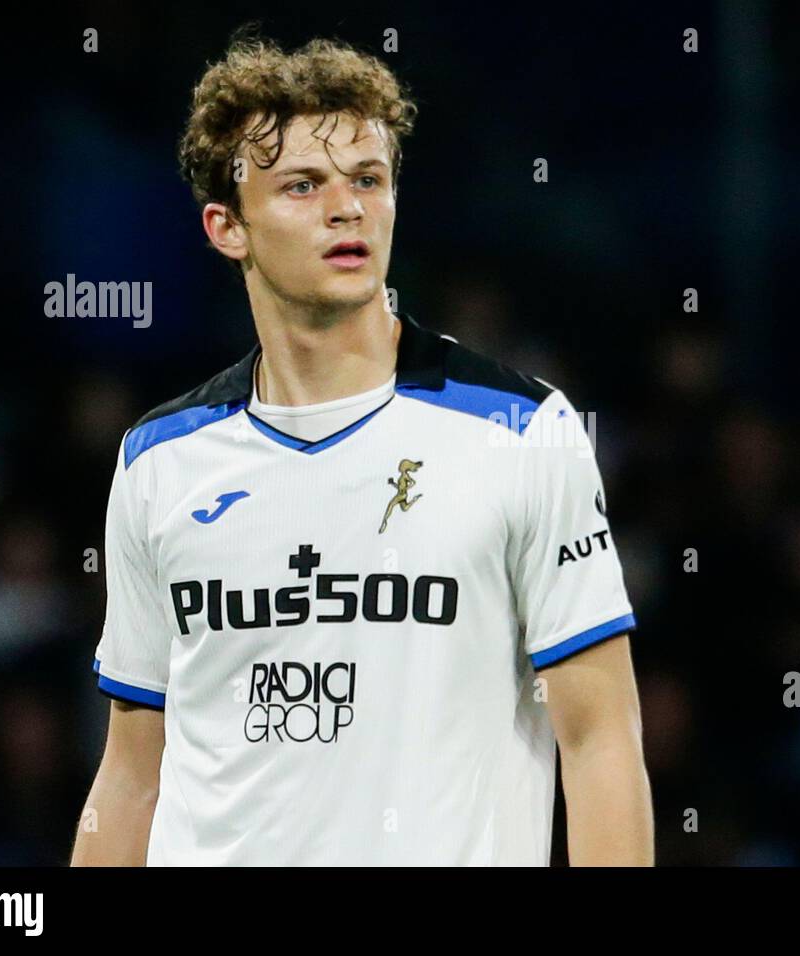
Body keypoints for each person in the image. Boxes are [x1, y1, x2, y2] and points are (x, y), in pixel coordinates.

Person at [70, 32, 652, 866]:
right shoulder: (158, 460)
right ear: (226, 225)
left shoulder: (523, 430)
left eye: (368, 181)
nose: (347, 207)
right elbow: (133, 773)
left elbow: (600, 741)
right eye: (303, 185)